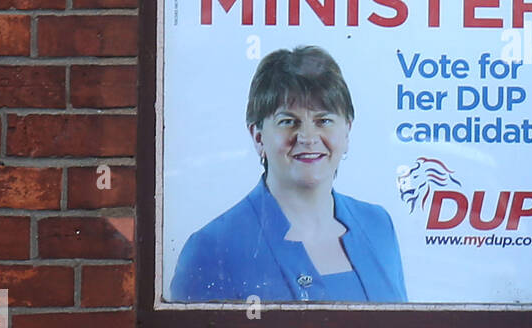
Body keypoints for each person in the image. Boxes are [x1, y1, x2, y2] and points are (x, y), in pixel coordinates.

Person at [170, 45, 407, 303]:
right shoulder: (211, 249)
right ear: (258, 137)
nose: (307, 137)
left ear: (347, 131)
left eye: (323, 120)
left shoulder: (378, 225)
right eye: (287, 121)